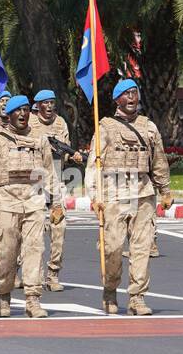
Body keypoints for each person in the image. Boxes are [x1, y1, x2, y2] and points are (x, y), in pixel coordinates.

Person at [90, 79, 172, 315]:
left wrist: (165, 189)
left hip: (143, 193)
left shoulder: (149, 127)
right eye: (126, 94)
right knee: (112, 248)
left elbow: (158, 160)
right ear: (117, 100)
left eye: (134, 93)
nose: (131, 98)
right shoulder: (105, 127)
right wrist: (95, 196)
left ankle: (137, 297)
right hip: (114, 193)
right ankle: (110, 290)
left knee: (141, 248)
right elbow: (94, 165)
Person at [0, 94, 56, 317]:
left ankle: (33, 299)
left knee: (35, 250)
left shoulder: (40, 140)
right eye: (17, 111)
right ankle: (3, 296)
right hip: (6, 203)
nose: (22, 114)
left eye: (25, 110)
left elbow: (50, 173)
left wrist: (56, 203)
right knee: (7, 253)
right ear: (9, 115)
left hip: (34, 201)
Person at [29, 89, 81, 291]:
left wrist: (72, 157)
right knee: (33, 231)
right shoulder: (29, 124)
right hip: (35, 181)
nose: (50, 106)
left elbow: (64, 150)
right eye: (45, 103)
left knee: (59, 228)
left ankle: (53, 274)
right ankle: (33, 274)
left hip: (56, 179)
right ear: (38, 106)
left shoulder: (60, 123)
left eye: (52, 102)